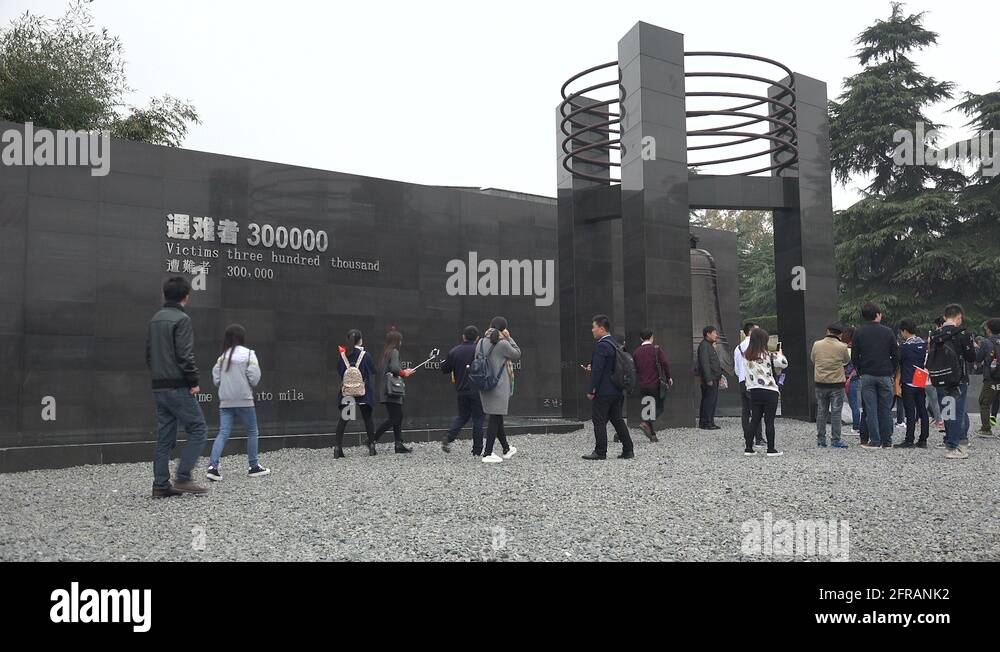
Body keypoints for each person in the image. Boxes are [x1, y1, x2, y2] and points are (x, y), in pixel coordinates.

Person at [145, 276, 209, 497]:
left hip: (158, 386)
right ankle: (183, 477)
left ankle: (160, 485)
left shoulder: (155, 319)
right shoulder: (181, 319)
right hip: (177, 385)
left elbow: (149, 354)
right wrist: (193, 382)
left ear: (164, 295)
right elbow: (184, 355)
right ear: (186, 297)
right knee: (199, 429)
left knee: (164, 436)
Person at [206, 324, 269, 480]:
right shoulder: (249, 355)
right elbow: (254, 378)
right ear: (242, 337)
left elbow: (216, 379)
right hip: (244, 400)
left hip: (226, 401)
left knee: (223, 433)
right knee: (252, 432)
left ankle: (213, 467)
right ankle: (253, 466)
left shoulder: (222, 358)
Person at [929, 304, 977, 459]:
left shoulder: (935, 335)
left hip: (940, 377)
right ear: (959, 317)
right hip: (958, 379)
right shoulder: (963, 334)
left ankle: (952, 442)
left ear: (944, 317)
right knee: (958, 412)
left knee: (948, 412)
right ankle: (955, 446)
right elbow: (971, 358)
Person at [583, 314, 634, 460]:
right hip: (617, 389)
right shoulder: (614, 343)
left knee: (598, 420)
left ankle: (600, 452)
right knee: (617, 419)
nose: (592, 330)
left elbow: (598, 371)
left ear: (601, 328)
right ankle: (628, 449)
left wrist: (591, 389)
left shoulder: (601, 346)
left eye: (594, 327)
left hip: (604, 391)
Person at [852, 302, 899, 450]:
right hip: (885, 374)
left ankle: (875, 439)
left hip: (867, 374)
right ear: (877, 315)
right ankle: (887, 440)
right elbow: (895, 354)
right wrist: (892, 370)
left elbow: (854, 356)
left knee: (870, 409)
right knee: (885, 408)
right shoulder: (888, 331)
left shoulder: (859, 332)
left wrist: (860, 370)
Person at [477, 317, 520, 464]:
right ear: (503, 329)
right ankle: (487, 453)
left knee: (497, 416)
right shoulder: (502, 343)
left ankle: (506, 449)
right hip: (499, 386)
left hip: (484, 384)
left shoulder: (481, 342)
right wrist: (509, 338)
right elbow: (517, 353)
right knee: (495, 418)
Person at [440, 325, 486, 455]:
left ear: (463, 337)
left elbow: (444, 368)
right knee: (478, 419)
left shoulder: (455, 351)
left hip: (461, 390)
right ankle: (477, 450)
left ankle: (449, 437)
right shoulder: (479, 351)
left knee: (462, 416)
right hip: (478, 390)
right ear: (477, 338)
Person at [742, 328, 788, 457]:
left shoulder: (746, 355)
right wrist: (780, 353)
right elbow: (784, 364)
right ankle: (771, 449)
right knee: (769, 421)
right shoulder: (768, 355)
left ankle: (748, 448)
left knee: (755, 419)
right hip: (769, 390)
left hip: (754, 390)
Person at [335, 329, 378, 457]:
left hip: (347, 393)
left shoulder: (343, 355)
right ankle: (371, 446)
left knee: (344, 419)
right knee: (367, 419)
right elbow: (373, 370)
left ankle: (338, 448)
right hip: (363, 392)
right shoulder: (365, 355)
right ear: (360, 340)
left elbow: (339, 371)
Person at [373, 328, 414, 453]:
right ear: (396, 341)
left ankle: (398, 444)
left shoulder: (385, 353)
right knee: (395, 417)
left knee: (397, 416)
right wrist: (405, 372)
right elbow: (395, 368)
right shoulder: (394, 352)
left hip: (386, 389)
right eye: (400, 340)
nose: (401, 343)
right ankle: (372, 439)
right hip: (392, 390)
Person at [811, 323, 851, 448]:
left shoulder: (816, 344)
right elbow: (846, 361)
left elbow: (813, 359)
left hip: (820, 382)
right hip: (837, 383)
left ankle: (821, 440)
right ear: (840, 334)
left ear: (827, 331)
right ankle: (835, 440)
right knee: (836, 412)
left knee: (821, 411)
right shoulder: (842, 347)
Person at [632, 328, 673, 442]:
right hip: (655, 384)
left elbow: (635, 368)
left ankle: (653, 435)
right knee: (659, 407)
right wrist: (668, 377)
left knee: (648, 408)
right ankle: (646, 422)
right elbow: (665, 363)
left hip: (642, 384)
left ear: (641, 338)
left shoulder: (636, 352)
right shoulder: (656, 349)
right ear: (652, 337)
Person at [896, 320, 929, 448]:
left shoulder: (904, 347)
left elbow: (899, 361)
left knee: (910, 411)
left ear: (904, 331)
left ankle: (909, 439)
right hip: (920, 379)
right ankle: (923, 439)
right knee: (922, 410)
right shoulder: (924, 345)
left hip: (908, 380)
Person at [735, 322, 763, 445]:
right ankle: (758, 438)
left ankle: (748, 438)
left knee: (745, 411)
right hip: (753, 381)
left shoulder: (738, 348)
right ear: (751, 332)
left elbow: (736, 368)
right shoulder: (755, 345)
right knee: (756, 410)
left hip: (742, 380)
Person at [975, 318, 1000, 439]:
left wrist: (976, 348)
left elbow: (978, 358)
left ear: (989, 329)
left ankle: (986, 429)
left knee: (984, 402)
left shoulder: (986, 342)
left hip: (991, 379)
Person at [697, 326, 723, 430]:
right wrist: (708, 379)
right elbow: (705, 363)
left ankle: (709, 421)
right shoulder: (704, 346)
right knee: (709, 400)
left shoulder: (709, 345)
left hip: (714, 377)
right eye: (714, 333)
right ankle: (706, 422)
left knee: (711, 400)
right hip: (710, 378)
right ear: (708, 334)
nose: (716, 335)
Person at [841, 327, 862, 433]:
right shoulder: (858, 347)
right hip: (854, 377)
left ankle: (856, 427)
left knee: (853, 404)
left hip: (845, 378)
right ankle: (856, 426)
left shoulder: (845, 349)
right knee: (854, 403)